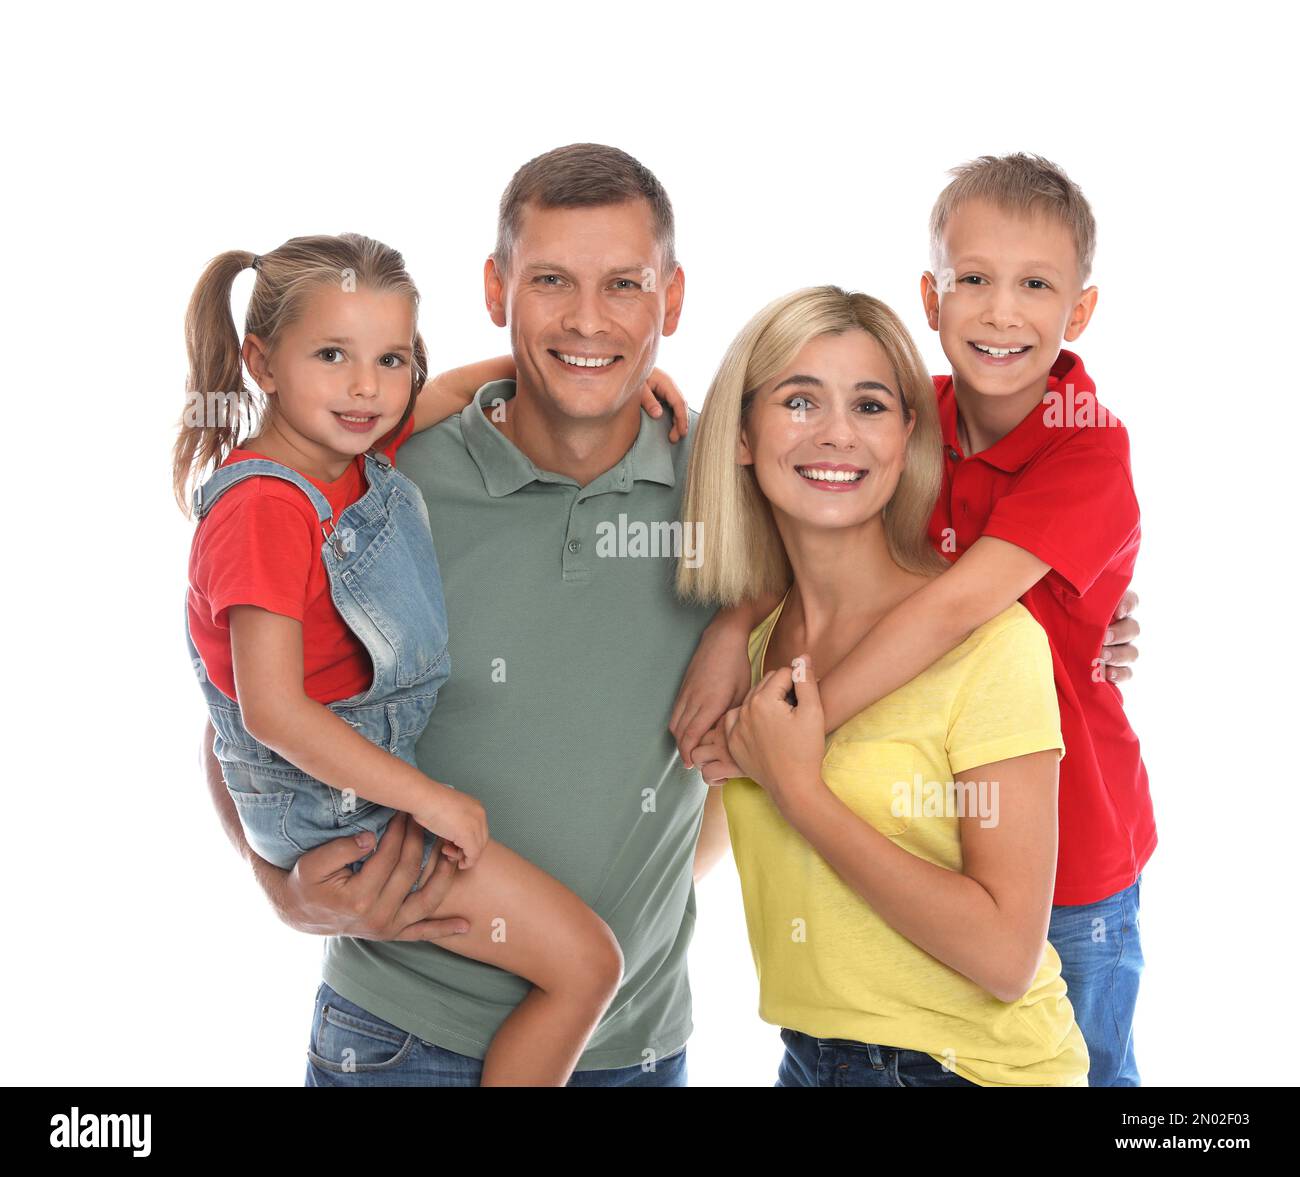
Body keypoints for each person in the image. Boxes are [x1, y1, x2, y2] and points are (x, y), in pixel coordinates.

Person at [197, 146, 721, 1086]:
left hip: (640, 1050)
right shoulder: (385, 482)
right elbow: (242, 713)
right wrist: (277, 887)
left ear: (671, 299)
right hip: (399, 1039)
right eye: (551, 281)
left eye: (625, 287)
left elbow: (813, 654)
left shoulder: (728, 484)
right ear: (496, 287)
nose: (588, 320)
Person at [676, 153, 1152, 1086]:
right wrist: (732, 629)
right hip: (923, 870)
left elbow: (952, 608)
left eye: (1035, 285)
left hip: (1079, 853)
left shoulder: (1085, 443)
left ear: (1080, 310)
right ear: (930, 298)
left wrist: (779, 736)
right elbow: (814, 530)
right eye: (974, 279)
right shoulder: (911, 417)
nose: (1001, 310)